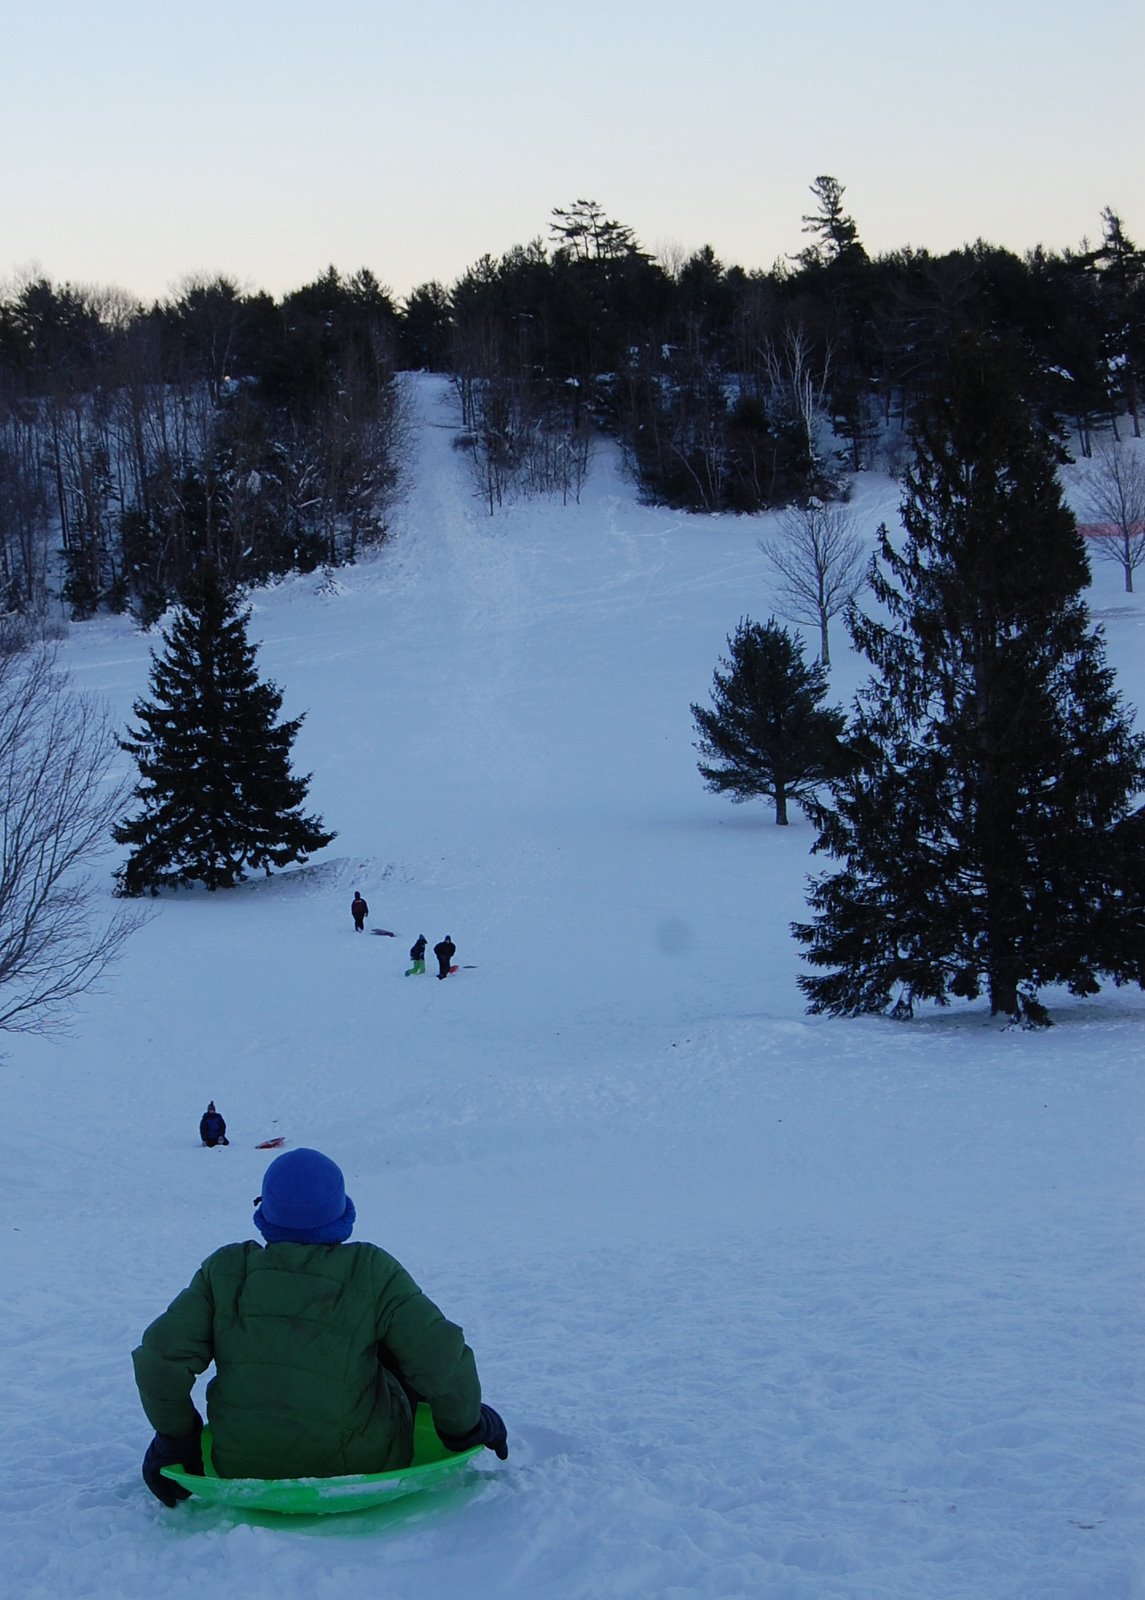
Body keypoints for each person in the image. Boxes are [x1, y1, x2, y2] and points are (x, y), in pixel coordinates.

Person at [133, 1146, 507, 1505]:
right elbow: (441, 1357)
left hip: (241, 1467)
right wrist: (466, 1428)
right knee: (394, 1350)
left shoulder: (226, 1271)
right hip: (364, 1465)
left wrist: (176, 1439)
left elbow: (159, 1358)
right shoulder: (371, 1270)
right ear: (342, 1213)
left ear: (265, 1212)